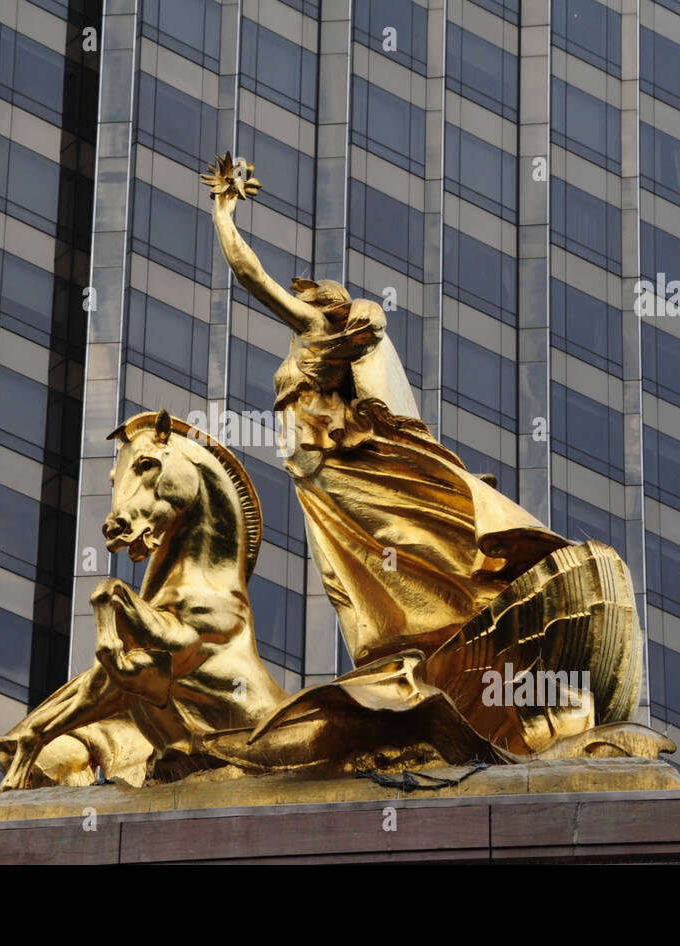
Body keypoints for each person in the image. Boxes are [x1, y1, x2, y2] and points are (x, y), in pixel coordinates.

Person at [205, 154, 570, 668]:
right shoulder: (325, 343)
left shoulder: (313, 331)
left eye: (308, 295)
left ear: (323, 306)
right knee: (350, 562)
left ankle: (435, 614)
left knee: (362, 554)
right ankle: (398, 633)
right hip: (311, 465)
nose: (298, 296)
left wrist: (223, 214)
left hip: (324, 460)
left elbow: (251, 274)